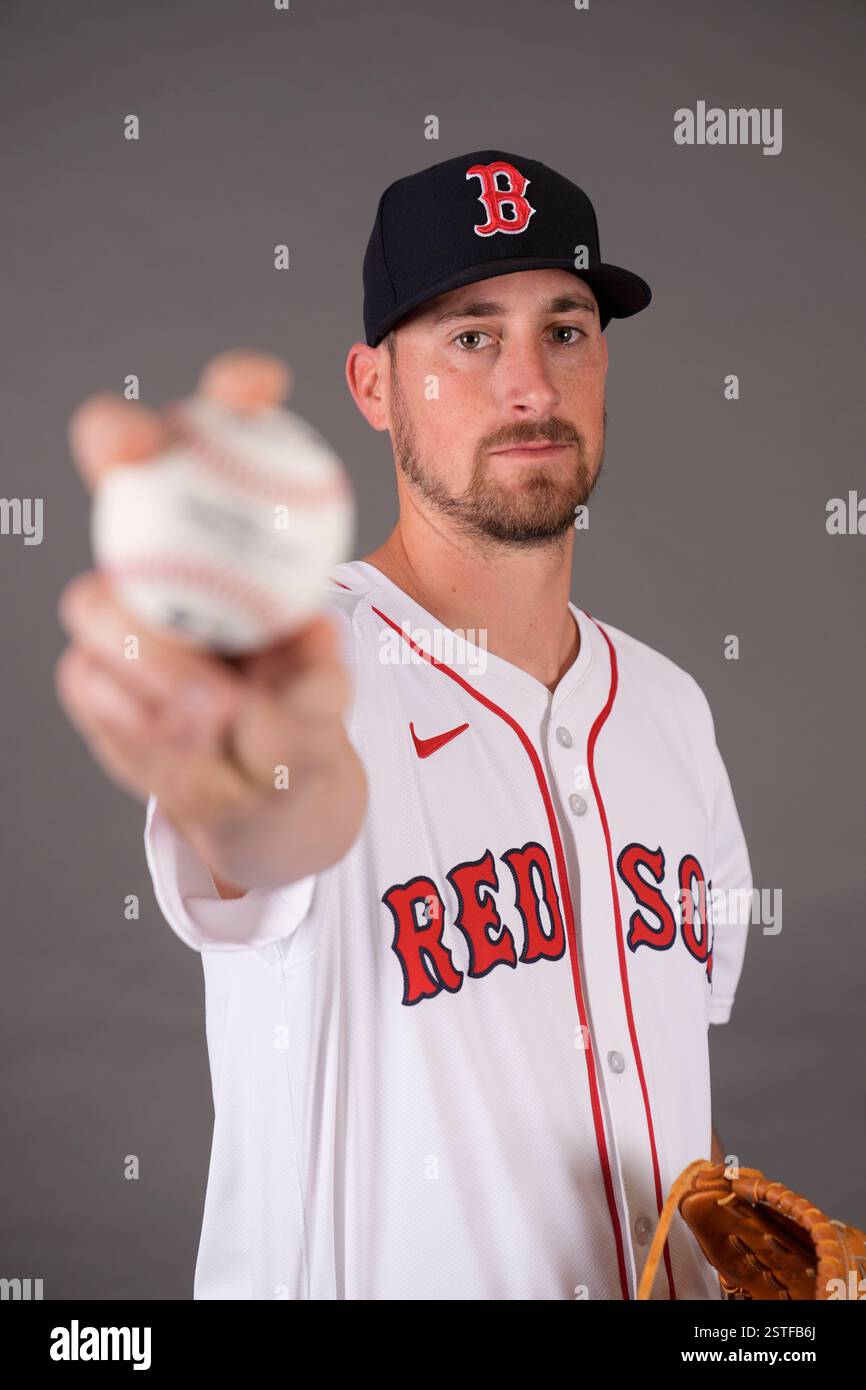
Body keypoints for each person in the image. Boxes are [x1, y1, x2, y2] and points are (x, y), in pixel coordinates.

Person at [55, 150, 752, 1300]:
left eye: (565, 329)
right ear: (373, 386)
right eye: (469, 335)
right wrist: (253, 791)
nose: (529, 384)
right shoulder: (294, 678)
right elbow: (275, 822)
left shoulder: (672, 710)